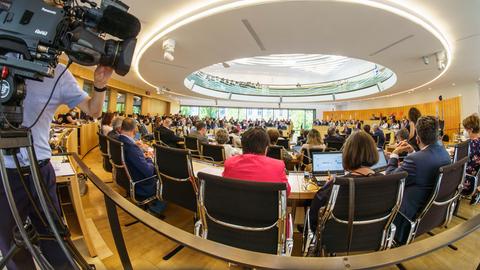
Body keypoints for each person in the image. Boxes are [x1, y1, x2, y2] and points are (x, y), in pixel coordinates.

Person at [0, 64, 112, 270]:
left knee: (53, 236)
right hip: (3, 172)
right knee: (10, 243)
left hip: (39, 170)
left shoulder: (57, 71)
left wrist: (99, 86)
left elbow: (94, 110)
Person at [386, 116, 451, 244]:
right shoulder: (445, 154)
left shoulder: (415, 160)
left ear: (418, 138)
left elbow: (391, 178)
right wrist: (413, 151)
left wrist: (394, 154)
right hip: (432, 212)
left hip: (406, 215)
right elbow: (424, 163)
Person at [309, 131, 381, 231]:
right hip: (374, 239)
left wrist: (328, 185)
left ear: (347, 154)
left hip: (337, 241)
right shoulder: (386, 180)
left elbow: (313, 218)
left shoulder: (335, 185)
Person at [117, 118, 166, 216]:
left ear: (121, 128)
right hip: (142, 184)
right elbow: (148, 171)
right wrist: (148, 158)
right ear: (134, 130)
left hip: (127, 179)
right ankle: (156, 209)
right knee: (166, 179)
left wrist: (139, 152)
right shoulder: (131, 148)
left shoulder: (119, 140)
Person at [223, 127, 290, 195]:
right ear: (266, 148)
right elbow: (286, 192)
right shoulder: (278, 166)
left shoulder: (229, 163)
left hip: (235, 204)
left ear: (243, 146)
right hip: (266, 205)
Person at [461, 114, 480, 204]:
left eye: (465, 129)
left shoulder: (470, 145)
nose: (464, 131)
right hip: (476, 179)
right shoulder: (477, 141)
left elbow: (459, 161)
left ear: (471, 129)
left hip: (467, 181)